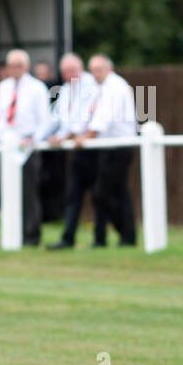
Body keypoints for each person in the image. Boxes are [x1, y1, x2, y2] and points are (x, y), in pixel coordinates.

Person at [0, 48, 53, 245]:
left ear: (26, 67)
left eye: (18, 65)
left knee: (28, 191)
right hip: (6, 145)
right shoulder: (2, 88)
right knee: (6, 190)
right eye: (11, 66)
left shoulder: (37, 88)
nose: (15, 69)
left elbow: (44, 120)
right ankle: (10, 231)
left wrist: (32, 140)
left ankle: (31, 235)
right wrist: (1, 138)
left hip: (27, 145)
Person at [79, 54, 138, 246]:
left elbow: (103, 119)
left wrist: (86, 137)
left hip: (118, 147)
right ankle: (125, 237)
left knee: (102, 193)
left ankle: (124, 234)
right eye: (92, 70)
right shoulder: (101, 88)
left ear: (108, 69)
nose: (95, 74)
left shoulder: (115, 86)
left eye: (98, 69)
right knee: (118, 193)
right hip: (108, 147)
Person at [45, 53, 100, 249]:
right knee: (73, 195)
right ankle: (68, 238)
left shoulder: (92, 86)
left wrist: (66, 135)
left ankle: (100, 239)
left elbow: (85, 118)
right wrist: (46, 137)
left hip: (93, 148)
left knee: (99, 195)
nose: (68, 75)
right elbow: (57, 119)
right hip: (77, 149)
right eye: (64, 72)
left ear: (80, 69)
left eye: (71, 70)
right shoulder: (66, 90)